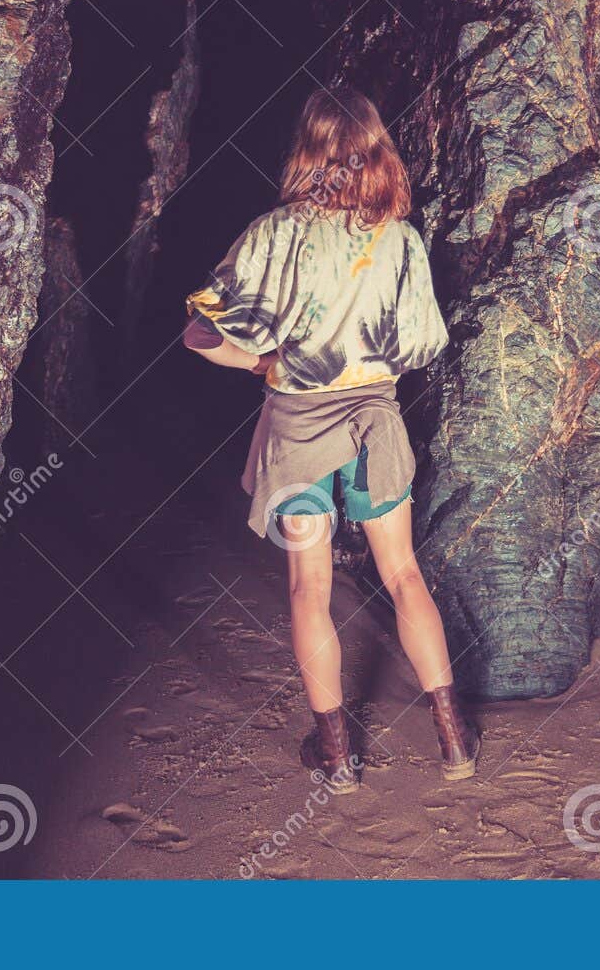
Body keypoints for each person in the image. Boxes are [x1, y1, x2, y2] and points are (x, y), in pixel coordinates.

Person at [182, 86, 478, 792]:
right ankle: (454, 741)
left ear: (307, 151)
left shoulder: (273, 233)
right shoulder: (400, 238)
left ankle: (338, 755)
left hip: (298, 428)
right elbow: (425, 343)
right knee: (404, 574)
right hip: (375, 421)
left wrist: (265, 359)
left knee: (309, 586)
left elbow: (200, 331)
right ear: (374, 149)